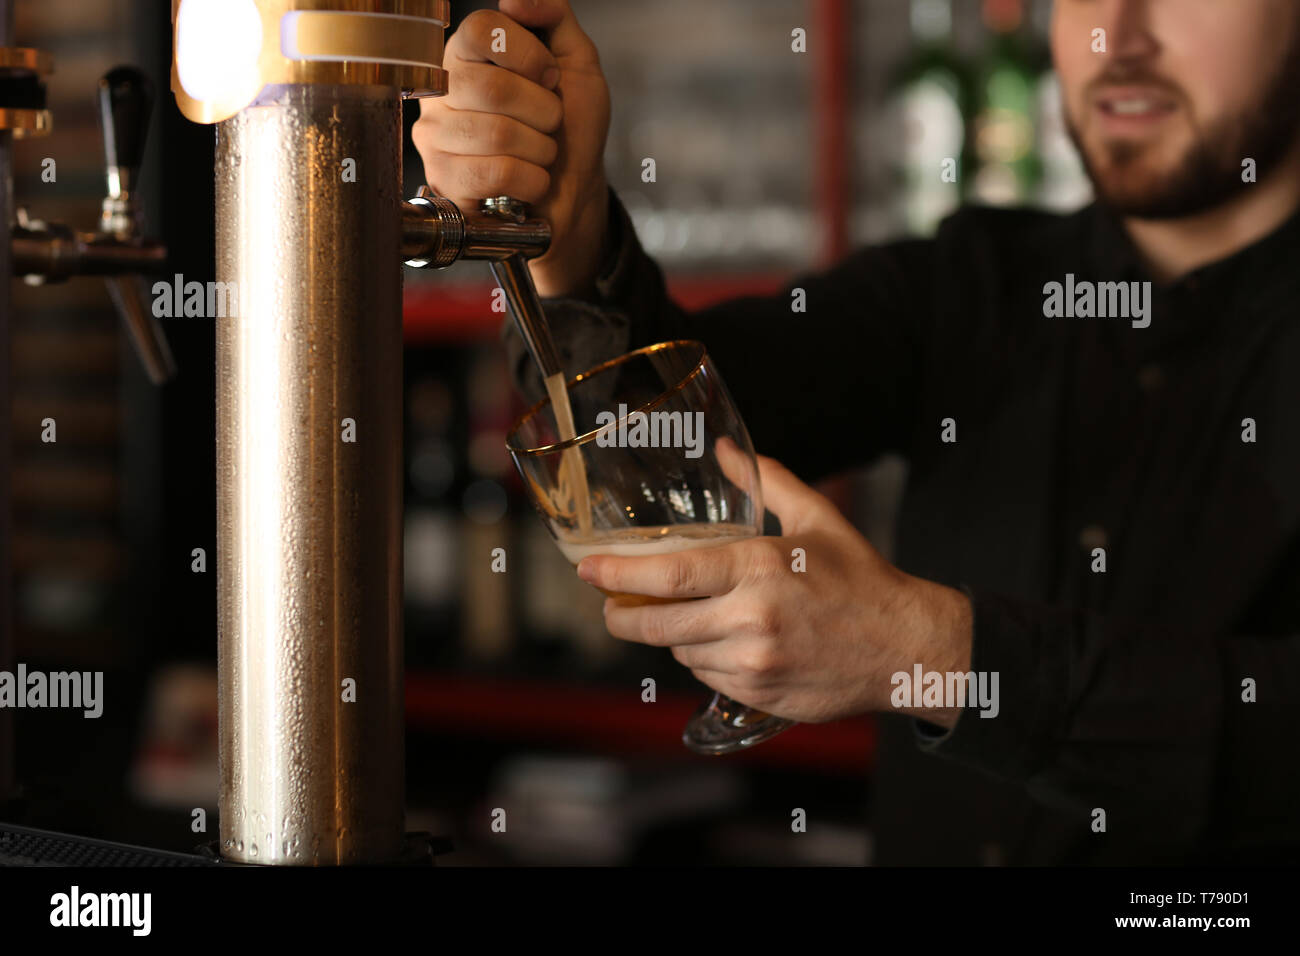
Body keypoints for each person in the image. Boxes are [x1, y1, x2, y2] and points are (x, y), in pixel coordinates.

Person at [413, 0, 1300, 864]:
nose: (1119, 32)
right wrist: (567, 237)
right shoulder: (970, 283)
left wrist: (932, 654)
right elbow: (667, 449)